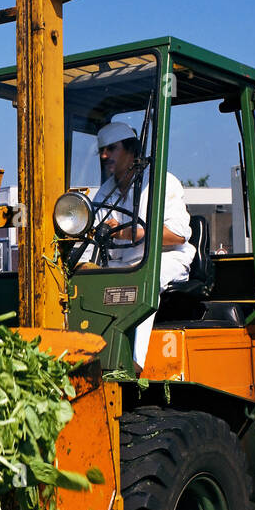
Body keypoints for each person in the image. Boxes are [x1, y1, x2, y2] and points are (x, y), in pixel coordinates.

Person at [85, 121, 196, 367]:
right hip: (123, 262)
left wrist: (128, 234)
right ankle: (90, 359)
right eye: (102, 150)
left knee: (140, 283)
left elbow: (178, 235)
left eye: (111, 149)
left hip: (166, 257)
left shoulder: (163, 182)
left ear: (131, 150)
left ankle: (134, 364)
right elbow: (95, 230)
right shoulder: (106, 190)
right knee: (89, 285)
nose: (104, 156)